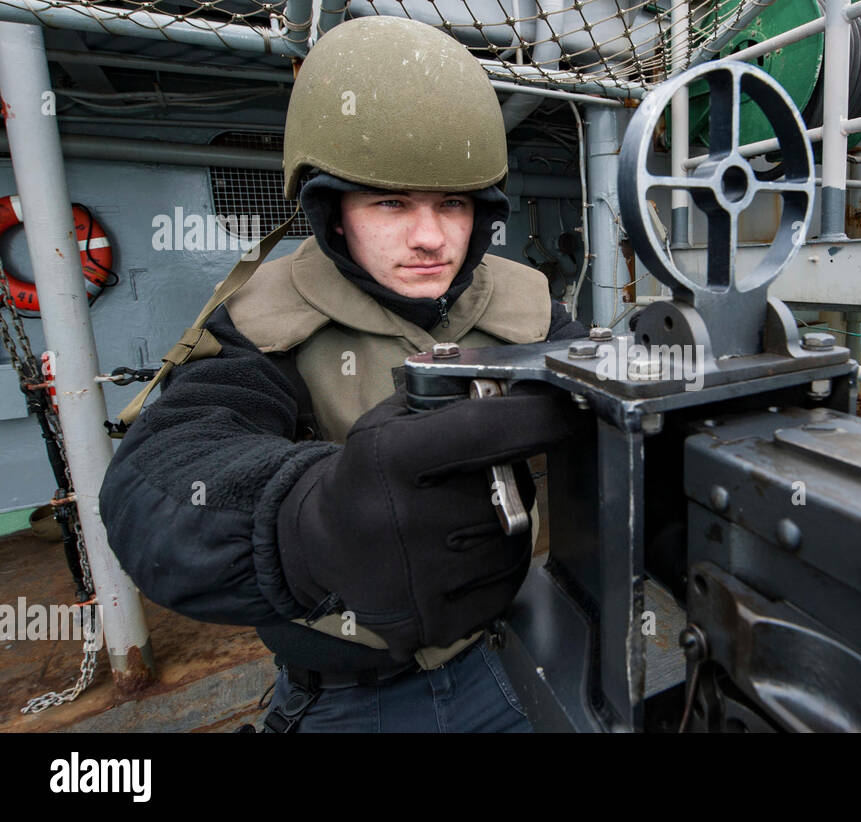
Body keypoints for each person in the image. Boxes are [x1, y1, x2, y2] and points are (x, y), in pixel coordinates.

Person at [100, 15, 588, 733]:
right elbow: (157, 486)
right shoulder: (264, 318)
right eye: (392, 202)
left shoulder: (530, 304)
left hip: (507, 653)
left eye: (452, 204)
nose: (431, 237)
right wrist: (309, 522)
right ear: (333, 212)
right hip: (349, 695)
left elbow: (614, 395)